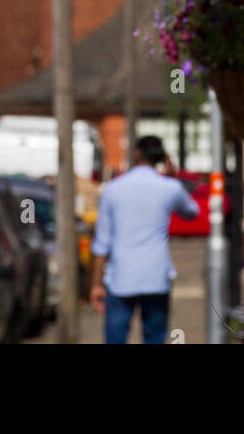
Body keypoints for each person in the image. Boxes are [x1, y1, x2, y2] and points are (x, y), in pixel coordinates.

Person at [89, 134, 200, 344]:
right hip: (155, 277)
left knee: (115, 339)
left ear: (136, 154)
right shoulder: (169, 188)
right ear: (162, 157)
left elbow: (102, 243)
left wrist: (95, 284)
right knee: (155, 339)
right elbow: (192, 212)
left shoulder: (113, 189)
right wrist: (174, 178)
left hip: (120, 277)